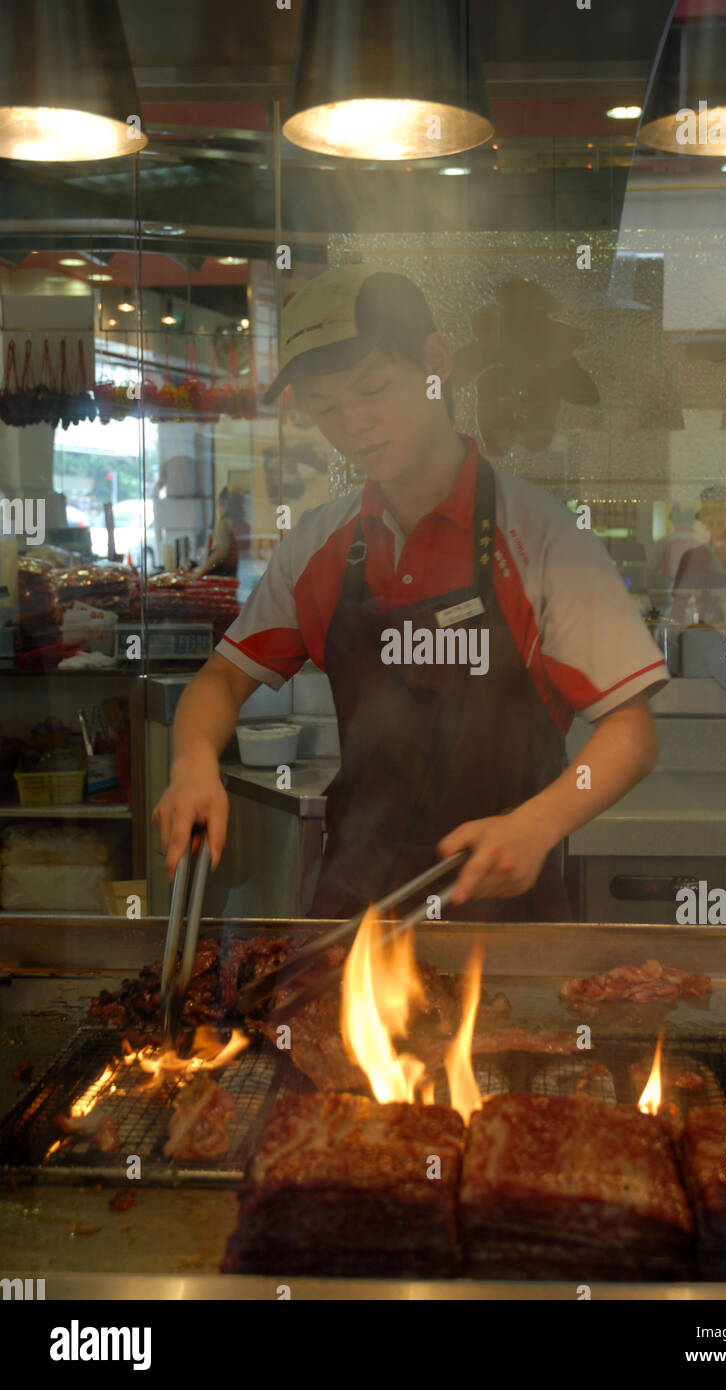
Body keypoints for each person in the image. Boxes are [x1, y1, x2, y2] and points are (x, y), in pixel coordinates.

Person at [153, 264, 669, 921]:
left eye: (373, 389)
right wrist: (194, 764)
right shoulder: (320, 545)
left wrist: (539, 824)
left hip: (505, 920)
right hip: (355, 920)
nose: (354, 425)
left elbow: (631, 732)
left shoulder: (540, 536)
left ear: (435, 361)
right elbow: (220, 682)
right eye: (326, 407)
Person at [191, 486, 249, 579]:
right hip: (239, 576)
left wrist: (199, 572)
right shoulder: (245, 526)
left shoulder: (224, 524)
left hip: (223, 576)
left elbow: (220, 553)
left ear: (223, 503)